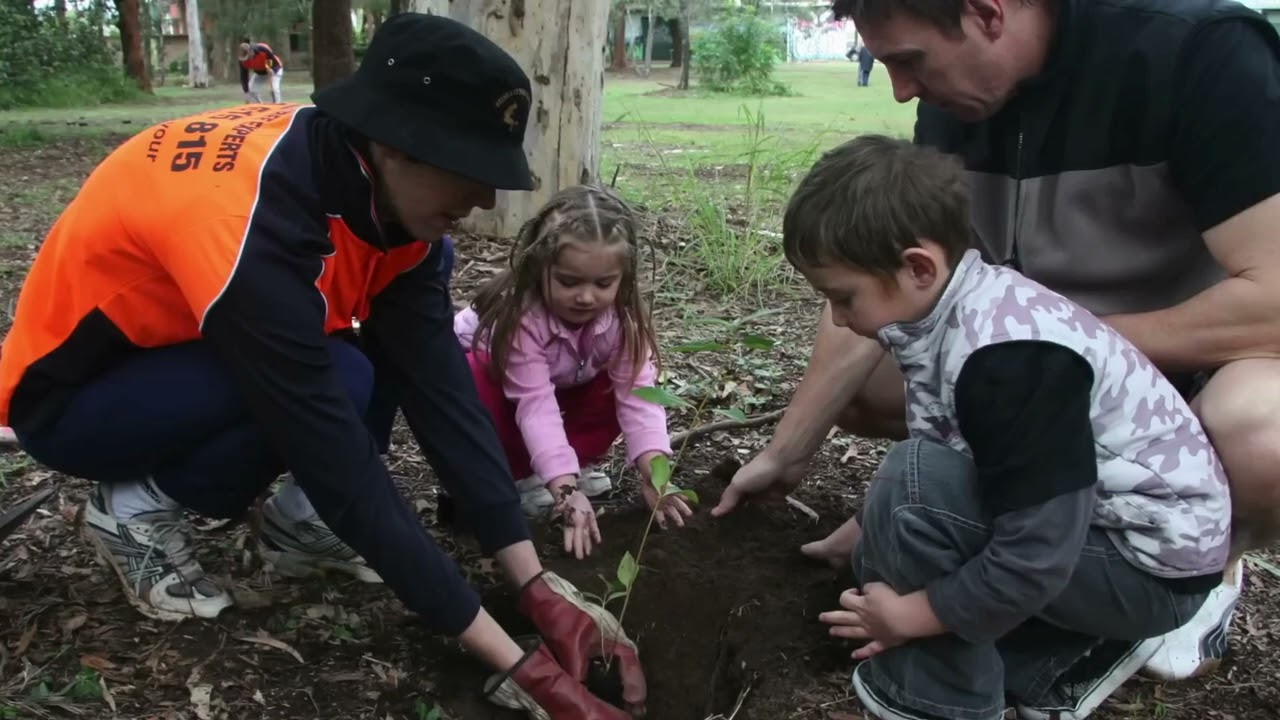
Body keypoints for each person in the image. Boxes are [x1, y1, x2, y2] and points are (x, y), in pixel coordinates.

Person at [0, 13, 646, 719]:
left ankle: (296, 531)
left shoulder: (380, 204)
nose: (485, 199)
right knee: (332, 382)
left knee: (363, 366)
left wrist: (533, 584)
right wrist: (524, 667)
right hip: (75, 398)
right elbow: (333, 452)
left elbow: (442, 394)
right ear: (397, 147)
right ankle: (133, 509)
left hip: (186, 358)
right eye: (469, 172)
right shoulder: (248, 224)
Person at [714, 0, 1280, 684]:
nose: (899, 89)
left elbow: (1271, 301)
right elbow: (903, 285)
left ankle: (1198, 574)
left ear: (986, 14)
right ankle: (1036, 539)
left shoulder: (1199, 55)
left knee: (1261, 438)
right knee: (868, 367)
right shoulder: (958, 105)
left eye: (909, 61)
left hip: (1198, 360)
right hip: (1029, 360)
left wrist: (1057, 354)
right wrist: (789, 450)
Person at [792, 134, 1230, 720]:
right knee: (910, 493)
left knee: (913, 483)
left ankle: (939, 701)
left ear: (918, 266)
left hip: (1145, 567)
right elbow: (962, 449)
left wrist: (911, 616)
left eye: (841, 298)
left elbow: (1037, 555)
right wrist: (862, 532)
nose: (839, 319)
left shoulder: (1005, 361)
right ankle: (1057, 662)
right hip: (1121, 541)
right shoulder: (955, 309)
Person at [454, 184, 694, 560]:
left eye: (603, 284)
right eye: (569, 282)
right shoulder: (523, 319)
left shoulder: (622, 321)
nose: (586, 297)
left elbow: (639, 398)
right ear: (540, 269)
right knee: (477, 378)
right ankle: (517, 476)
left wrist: (654, 473)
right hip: (502, 384)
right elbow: (535, 406)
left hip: (568, 376)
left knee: (617, 389)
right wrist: (564, 491)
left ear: (623, 278)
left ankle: (564, 467)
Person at [238, 37, 284, 103]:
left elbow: (274, 62)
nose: (248, 59)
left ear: (251, 51)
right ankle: (260, 106)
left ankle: (278, 106)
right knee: (251, 91)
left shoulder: (263, 49)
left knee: (275, 90)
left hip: (275, 69)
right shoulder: (242, 61)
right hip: (260, 72)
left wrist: (272, 70)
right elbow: (244, 77)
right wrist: (246, 92)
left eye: (248, 56)